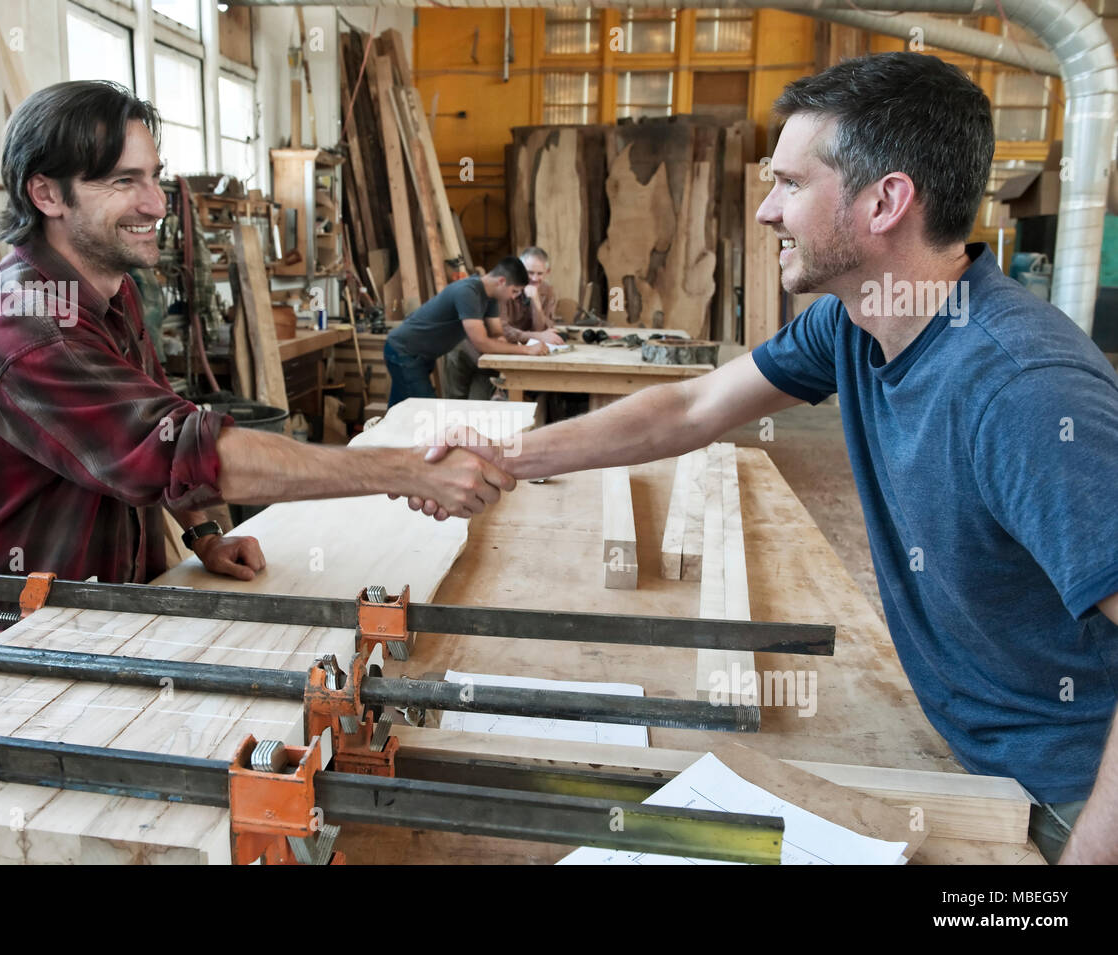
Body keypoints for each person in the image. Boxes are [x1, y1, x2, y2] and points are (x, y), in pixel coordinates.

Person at [401, 53, 1118, 864]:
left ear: (886, 201)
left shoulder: (1022, 389)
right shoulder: (860, 321)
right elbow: (692, 405)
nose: (768, 210)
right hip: (968, 750)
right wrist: (502, 455)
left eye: (790, 183)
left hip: (1071, 799)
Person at [0, 80, 513, 608]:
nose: (155, 203)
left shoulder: (111, 291)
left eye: (153, 176)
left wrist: (203, 531)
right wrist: (407, 470)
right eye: (123, 181)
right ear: (47, 196)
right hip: (12, 636)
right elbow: (175, 450)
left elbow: (160, 419)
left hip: (105, 611)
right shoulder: (20, 326)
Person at [384, 258, 555, 407]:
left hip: (421, 356)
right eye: (514, 291)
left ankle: (383, 443)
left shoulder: (491, 297)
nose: (514, 297)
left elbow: (496, 332)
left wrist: (503, 343)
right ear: (502, 281)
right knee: (428, 413)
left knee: (398, 410)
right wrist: (526, 350)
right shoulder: (467, 292)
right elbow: (481, 342)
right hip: (404, 351)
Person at [444, 247, 561, 400]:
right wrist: (537, 336)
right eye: (529, 272)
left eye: (539, 274)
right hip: (467, 349)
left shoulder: (547, 291)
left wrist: (536, 302)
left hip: (493, 357)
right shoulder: (504, 288)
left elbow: (545, 331)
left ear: (547, 272)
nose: (534, 278)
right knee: (455, 401)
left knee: (478, 403)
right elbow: (503, 330)